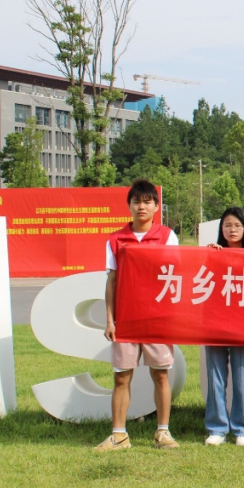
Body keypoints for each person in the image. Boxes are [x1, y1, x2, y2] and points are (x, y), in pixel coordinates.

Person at [96, 179, 180, 451]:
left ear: (156, 206)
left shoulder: (167, 236)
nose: (141, 206)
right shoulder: (115, 239)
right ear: (129, 206)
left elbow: (177, 275)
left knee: (161, 375)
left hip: (157, 318)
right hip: (126, 320)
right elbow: (112, 281)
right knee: (121, 376)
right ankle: (119, 435)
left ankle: (163, 433)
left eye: (147, 201)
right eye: (136, 202)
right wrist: (110, 319)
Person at [203, 207, 244, 447]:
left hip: (243, 323)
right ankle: (217, 428)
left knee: (241, 375)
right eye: (227, 225)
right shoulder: (213, 253)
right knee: (215, 374)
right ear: (221, 229)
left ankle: (242, 429)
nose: (232, 230)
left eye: (236, 225)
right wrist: (209, 256)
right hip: (214, 321)